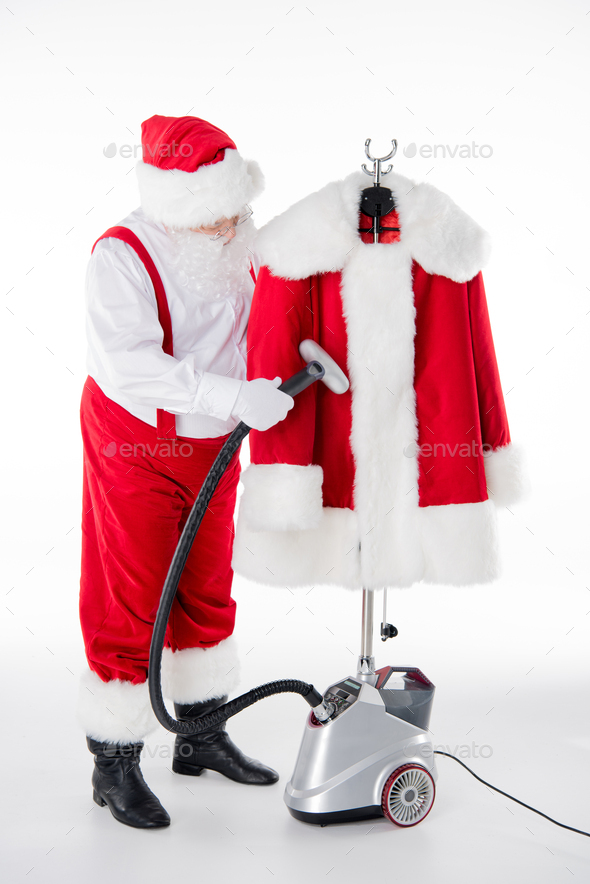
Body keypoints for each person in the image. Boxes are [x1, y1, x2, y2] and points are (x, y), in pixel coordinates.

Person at [76, 114, 294, 829]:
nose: (231, 230)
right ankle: (114, 761)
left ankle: (199, 734)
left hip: (214, 441)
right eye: (214, 221)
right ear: (175, 208)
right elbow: (129, 364)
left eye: (238, 212)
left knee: (206, 579)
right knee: (132, 592)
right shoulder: (123, 254)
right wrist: (234, 396)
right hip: (136, 441)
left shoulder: (234, 232)